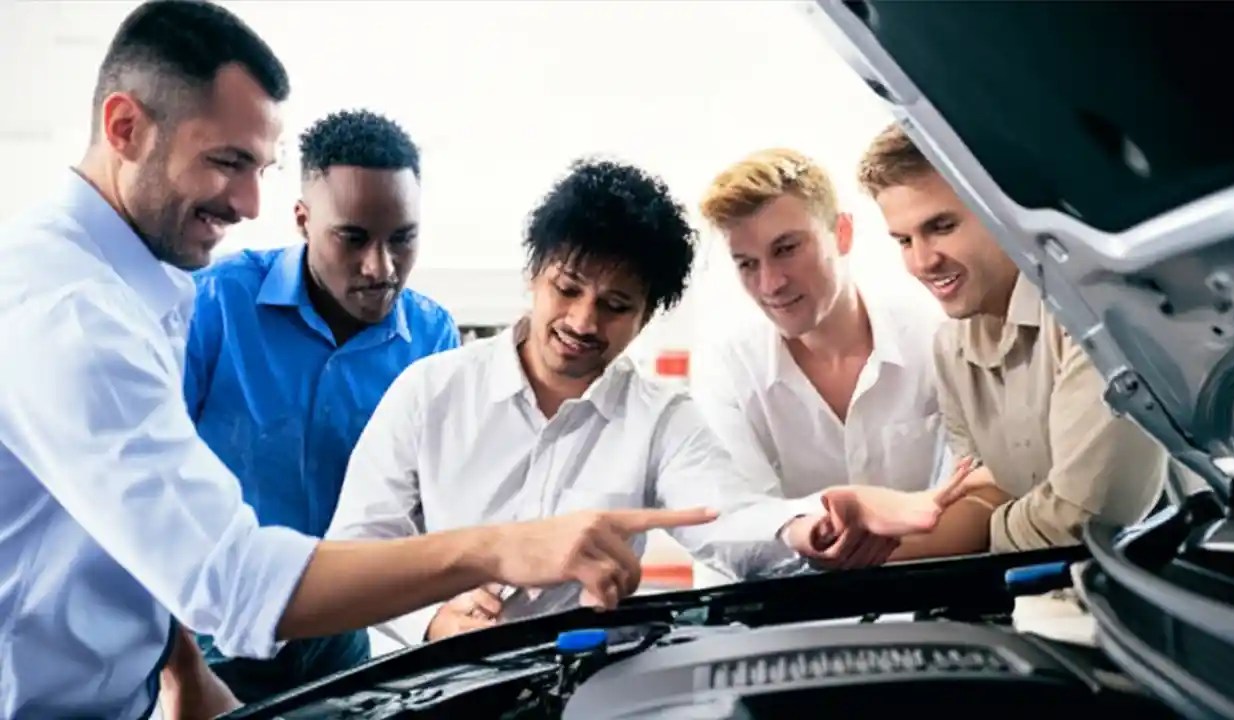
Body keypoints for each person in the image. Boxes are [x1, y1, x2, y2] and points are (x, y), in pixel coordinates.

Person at [0, 3, 718, 717]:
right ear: (125, 128)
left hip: (260, 658)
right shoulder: (76, 314)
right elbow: (229, 576)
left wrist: (179, 668)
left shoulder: (149, 289)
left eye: (260, 167)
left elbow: (135, 517)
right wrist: (498, 549)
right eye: (227, 163)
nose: (252, 202)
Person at [327, 158, 974, 646]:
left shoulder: (663, 419)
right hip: (436, 679)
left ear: (648, 316)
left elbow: (730, 521)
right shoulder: (429, 391)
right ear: (533, 273)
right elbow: (356, 549)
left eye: (616, 306)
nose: (583, 321)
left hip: (587, 682)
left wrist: (814, 526)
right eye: (568, 289)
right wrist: (434, 617)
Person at [182, 109, 461, 701]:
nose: (380, 268)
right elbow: (144, 488)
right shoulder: (214, 307)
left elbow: (439, 504)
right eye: (353, 237)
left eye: (402, 238)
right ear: (305, 221)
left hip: (345, 634)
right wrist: (176, 667)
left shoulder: (434, 338)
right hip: (215, 631)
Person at [855, 123, 1167, 555]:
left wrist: (970, 535)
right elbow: (984, 489)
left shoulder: (1092, 317)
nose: (923, 261)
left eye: (942, 226)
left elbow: (1083, 519)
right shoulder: (949, 348)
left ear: (1000, 209)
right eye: (904, 240)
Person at [694, 149, 959, 561]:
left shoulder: (935, 339)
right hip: (778, 617)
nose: (771, 284)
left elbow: (962, 501)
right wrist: (855, 513)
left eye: (786, 249)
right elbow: (737, 529)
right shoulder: (727, 367)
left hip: (925, 602)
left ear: (843, 233)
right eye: (747, 264)